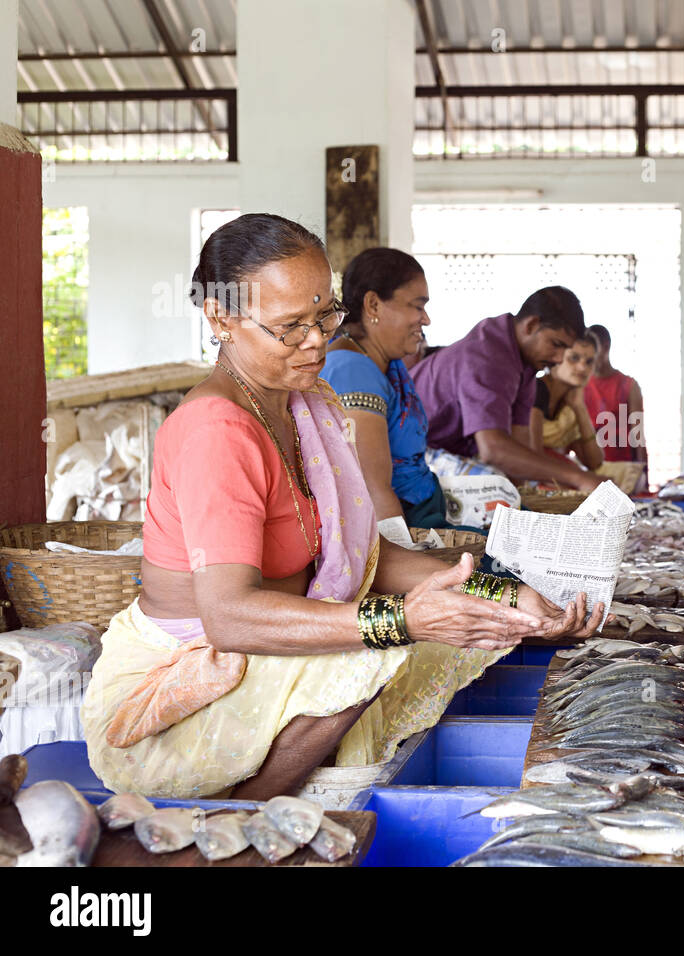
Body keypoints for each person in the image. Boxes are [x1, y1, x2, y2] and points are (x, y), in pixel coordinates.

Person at [81, 215, 601, 802]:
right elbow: (229, 617)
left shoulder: (305, 403)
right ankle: (238, 812)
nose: (317, 340)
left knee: (454, 626)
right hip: (184, 687)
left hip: (259, 646)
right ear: (220, 318)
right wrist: (403, 620)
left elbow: (365, 558)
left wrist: (506, 593)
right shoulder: (216, 430)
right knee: (379, 647)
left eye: (325, 316)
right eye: (290, 327)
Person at [410, 287, 603, 492]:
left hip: (446, 452)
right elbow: (493, 450)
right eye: (556, 344)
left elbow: (520, 450)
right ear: (531, 325)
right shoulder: (488, 356)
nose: (558, 359)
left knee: (512, 492)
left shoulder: (525, 365)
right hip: (406, 453)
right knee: (494, 486)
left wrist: (524, 502)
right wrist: (578, 478)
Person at [319, 248, 449, 541]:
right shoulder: (354, 370)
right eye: (417, 306)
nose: (425, 319)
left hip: (422, 514)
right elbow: (372, 488)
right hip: (404, 524)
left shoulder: (379, 362)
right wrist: (406, 558)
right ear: (374, 304)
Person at [529, 331, 604, 480]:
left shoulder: (571, 403)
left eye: (589, 362)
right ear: (556, 358)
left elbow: (594, 462)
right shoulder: (535, 388)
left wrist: (580, 408)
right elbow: (534, 459)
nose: (583, 368)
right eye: (574, 358)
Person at [584, 324, 647, 468]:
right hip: (590, 469)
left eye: (593, 350)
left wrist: (642, 475)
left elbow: (638, 437)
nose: (588, 357)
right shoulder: (580, 387)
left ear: (606, 347)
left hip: (623, 468)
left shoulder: (629, 385)